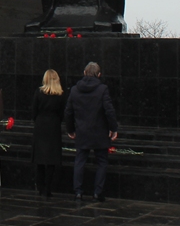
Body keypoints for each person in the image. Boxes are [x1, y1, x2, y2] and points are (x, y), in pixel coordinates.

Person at [64, 62, 118, 201]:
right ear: (99, 75)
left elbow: (68, 112)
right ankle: (97, 192)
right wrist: (113, 128)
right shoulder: (102, 89)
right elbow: (109, 111)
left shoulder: (75, 90)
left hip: (82, 131)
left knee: (80, 161)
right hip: (99, 132)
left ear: (84, 72)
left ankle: (78, 192)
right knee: (102, 162)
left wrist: (70, 129)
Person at [31, 69, 68, 197]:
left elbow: (34, 111)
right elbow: (62, 113)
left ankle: (40, 187)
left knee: (40, 158)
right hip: (54, 126)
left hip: (41, 125)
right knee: (52, 158)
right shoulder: (60, 95)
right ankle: (48, 188)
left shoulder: (39, 92)